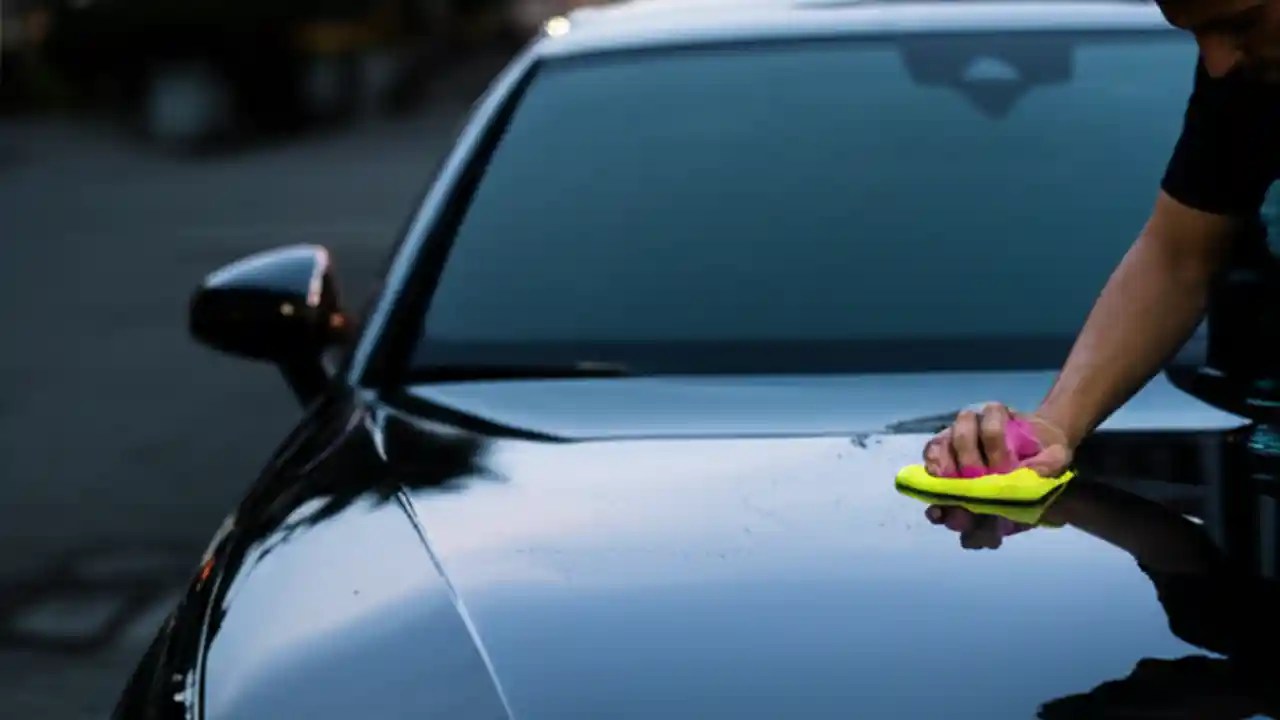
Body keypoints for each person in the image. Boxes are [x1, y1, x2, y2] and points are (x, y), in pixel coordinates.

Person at [923, 0, 1280, 479]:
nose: (1217, 62)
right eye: (1197, 35)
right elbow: (1179, 257)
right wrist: (1054, 425)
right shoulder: (1247, 81)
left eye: (1241, 24)